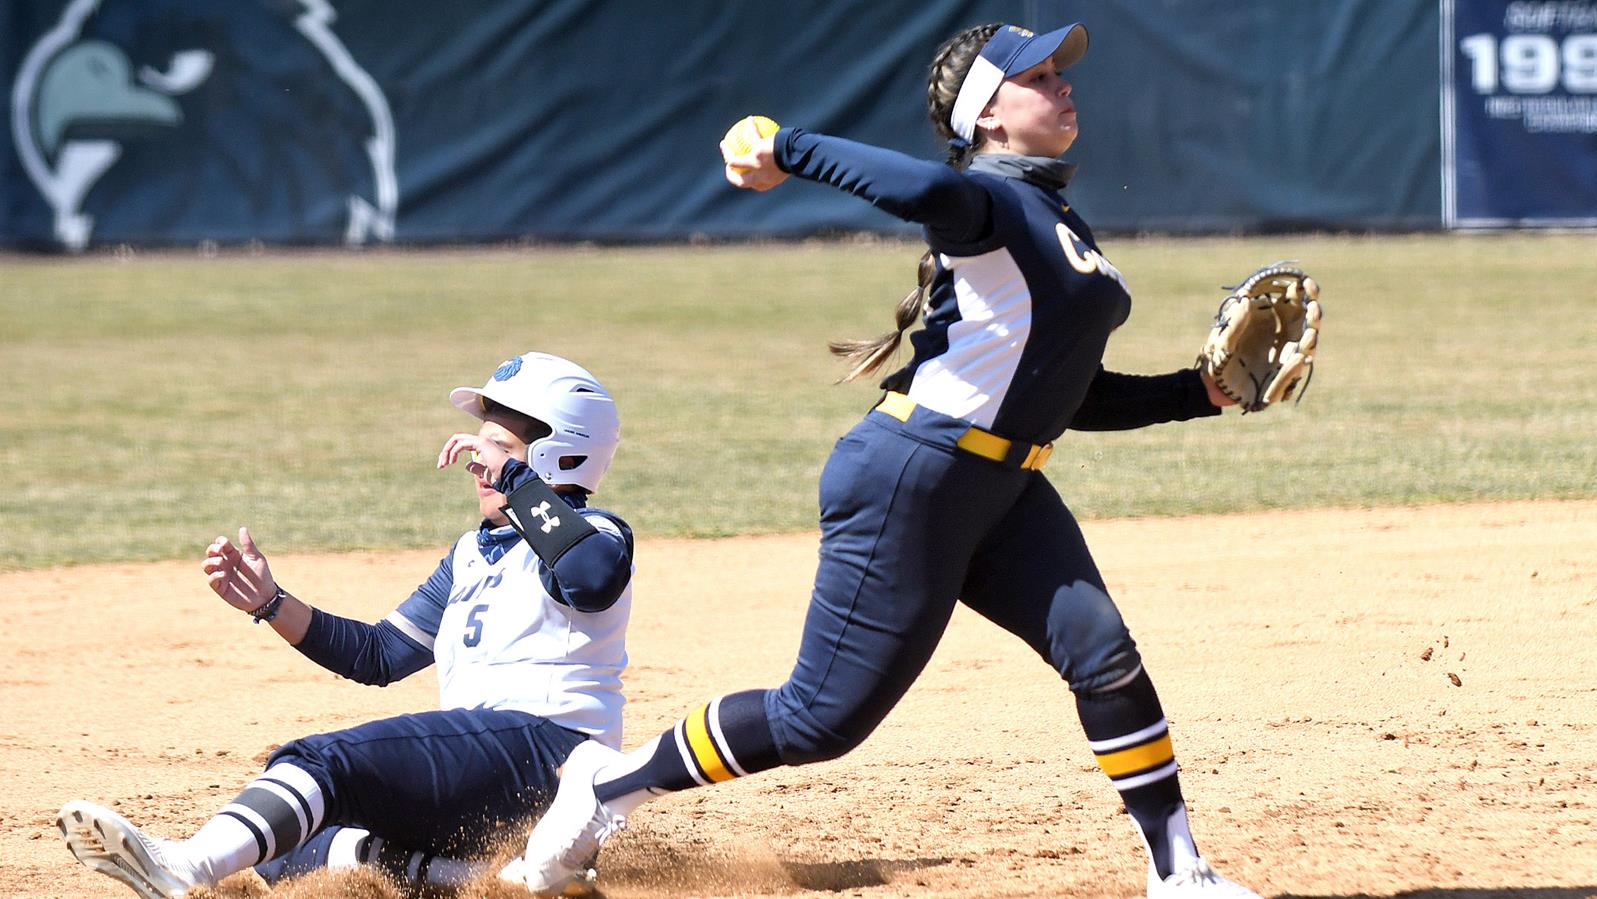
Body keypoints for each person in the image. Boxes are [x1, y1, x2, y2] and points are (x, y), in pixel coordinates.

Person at [500, 21, 1263, 899]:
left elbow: (1067, 395)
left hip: (1006, 484)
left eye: (1060, 73)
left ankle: (1182, 873)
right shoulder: (989, 203)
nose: (1062, 86)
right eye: (1038, 76)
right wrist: (791, 148)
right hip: (912, 475)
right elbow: (926, 188)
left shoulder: (1052, 220)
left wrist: (1195, 393)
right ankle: (607, 786)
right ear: (988, 117)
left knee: (1104, 654)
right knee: (819, 719)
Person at [59, 351, 634, 898]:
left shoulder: (596, 533)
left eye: (498, 447)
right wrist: (272, 603)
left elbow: (591, 579)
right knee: (286, 836)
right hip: (487, 773)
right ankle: (482, 878)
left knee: (316, 764)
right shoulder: (471, 554)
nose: (477, 461)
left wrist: (515, 481)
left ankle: (185, 866)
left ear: (558, 455)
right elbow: (380, 655)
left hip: (552, 759)